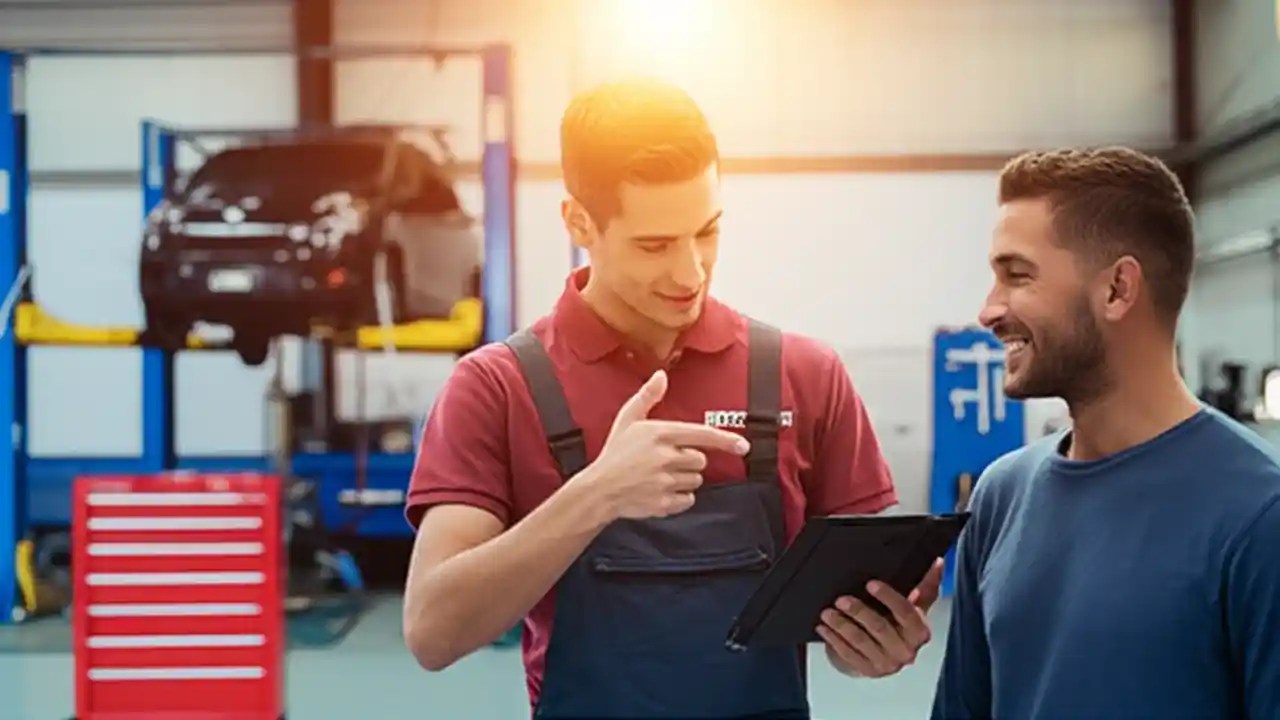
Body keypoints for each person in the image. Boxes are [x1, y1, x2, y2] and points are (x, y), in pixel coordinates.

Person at [400, 77, 943, 719]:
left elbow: (847, 638)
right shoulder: (497, 387)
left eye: (706, 232)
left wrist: (869, 645)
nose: (690, 273)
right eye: (654, 245)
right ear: (579, 221)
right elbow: (434, 632)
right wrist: (598, 494)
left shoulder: (806, 374)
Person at [931, 147, 1280, 719]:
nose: (988, 311)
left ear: (1118, 289)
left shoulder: (1259, 518)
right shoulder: (1001, 497)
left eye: (1016, 276)